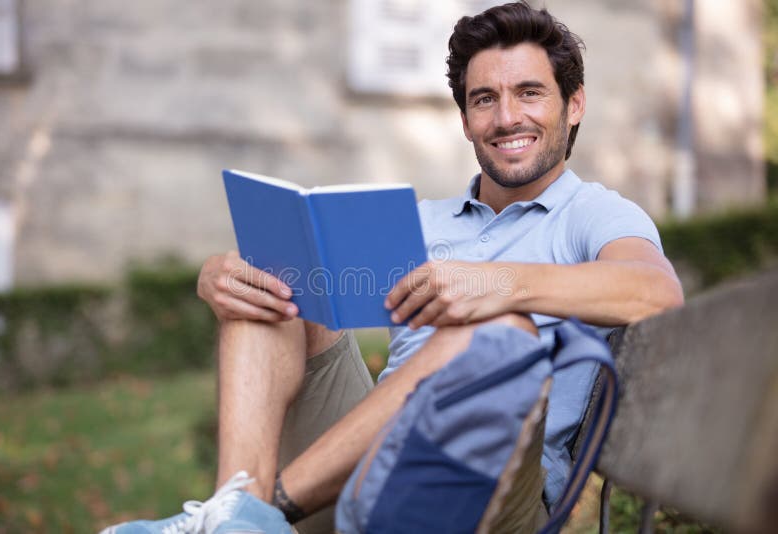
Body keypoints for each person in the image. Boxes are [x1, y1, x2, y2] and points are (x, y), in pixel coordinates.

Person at [103, 2, 683, 533]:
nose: (507, 117)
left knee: (497, 334)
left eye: (530, 92)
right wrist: (222, 278)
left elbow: (656, 290)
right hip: (369, 469)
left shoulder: (594, 213)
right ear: (465, 118)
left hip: (492, 490)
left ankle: (261, 512)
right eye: (484, 99)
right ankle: (232, 515)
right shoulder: (421, 223)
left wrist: (499, 284)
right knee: (276, 280)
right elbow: (290, 288)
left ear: (573, 103)